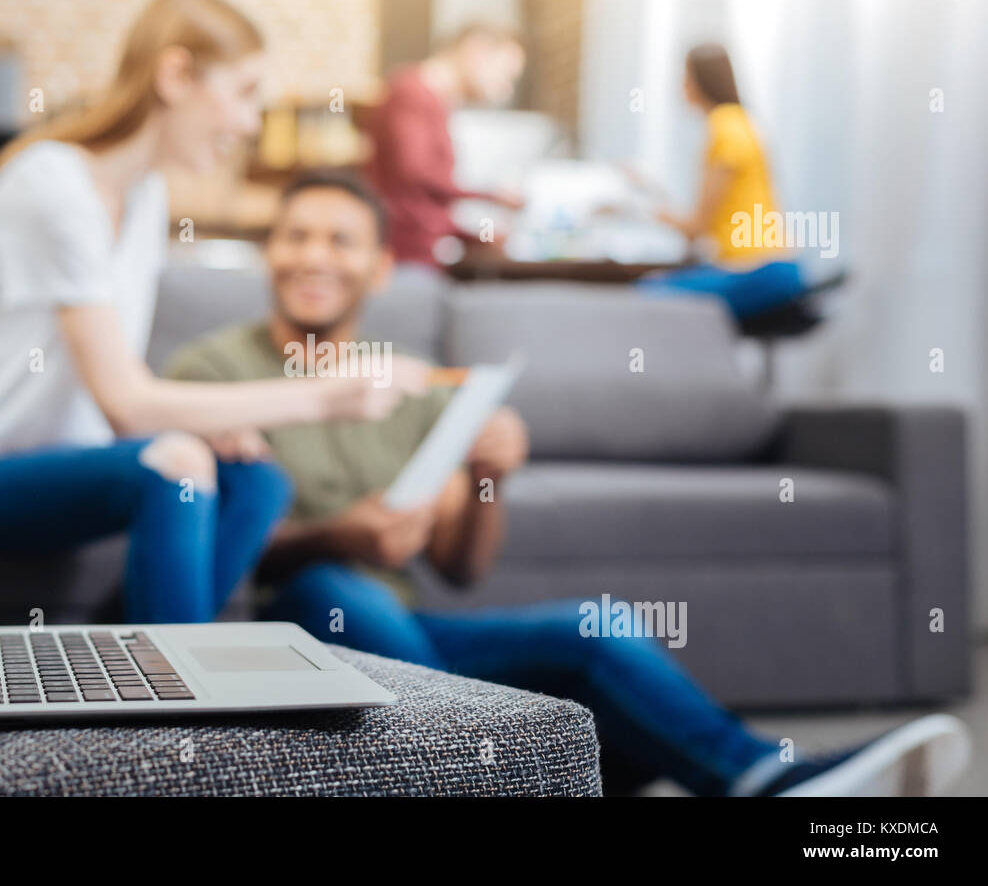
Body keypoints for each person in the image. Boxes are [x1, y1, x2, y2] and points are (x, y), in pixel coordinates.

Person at [166, 170, 971, 796]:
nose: (312, 257)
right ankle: (535, 760)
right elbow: (191, 544)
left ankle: (762, 777)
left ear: (379, 269)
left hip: (409, 637)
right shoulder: (208, 374)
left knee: (598, 624)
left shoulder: (414, 386)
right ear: (267, 251)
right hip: (285, 627)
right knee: (339, 583)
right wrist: (336, 538)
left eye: (338, 241)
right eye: (295, 236)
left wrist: (488, 481)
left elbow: (460, 568)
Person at [0, 0, 427, 625]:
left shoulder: (142, 200)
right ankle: (177, 706)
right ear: (176, 76)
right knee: (174, 464)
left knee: (257, 480)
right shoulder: (51, 186)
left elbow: (118, 406)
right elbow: (129, 402)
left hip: (64, 460)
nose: (251, 124)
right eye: (244, 92)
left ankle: (124, 657)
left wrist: (207, 425)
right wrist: (325, 395)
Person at [642, 43, 806, 318]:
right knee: (661, 289)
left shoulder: (724, 127)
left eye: (685, 77)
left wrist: (641, 210)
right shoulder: (740, 122)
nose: (681, 87)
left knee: (648, 295)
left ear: (698, 81)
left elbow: (697, 227)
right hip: (774, 268)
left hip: (761, 271)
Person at [365, 23, 526, 268]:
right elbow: (415, 177)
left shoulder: (433, 101)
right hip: (404, 258)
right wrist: (492, 196)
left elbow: (424, 203)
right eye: (505, 74)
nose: (507, 88)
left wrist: (474, 239)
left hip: (418, 254)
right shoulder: (413, 93)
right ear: (476, 51)